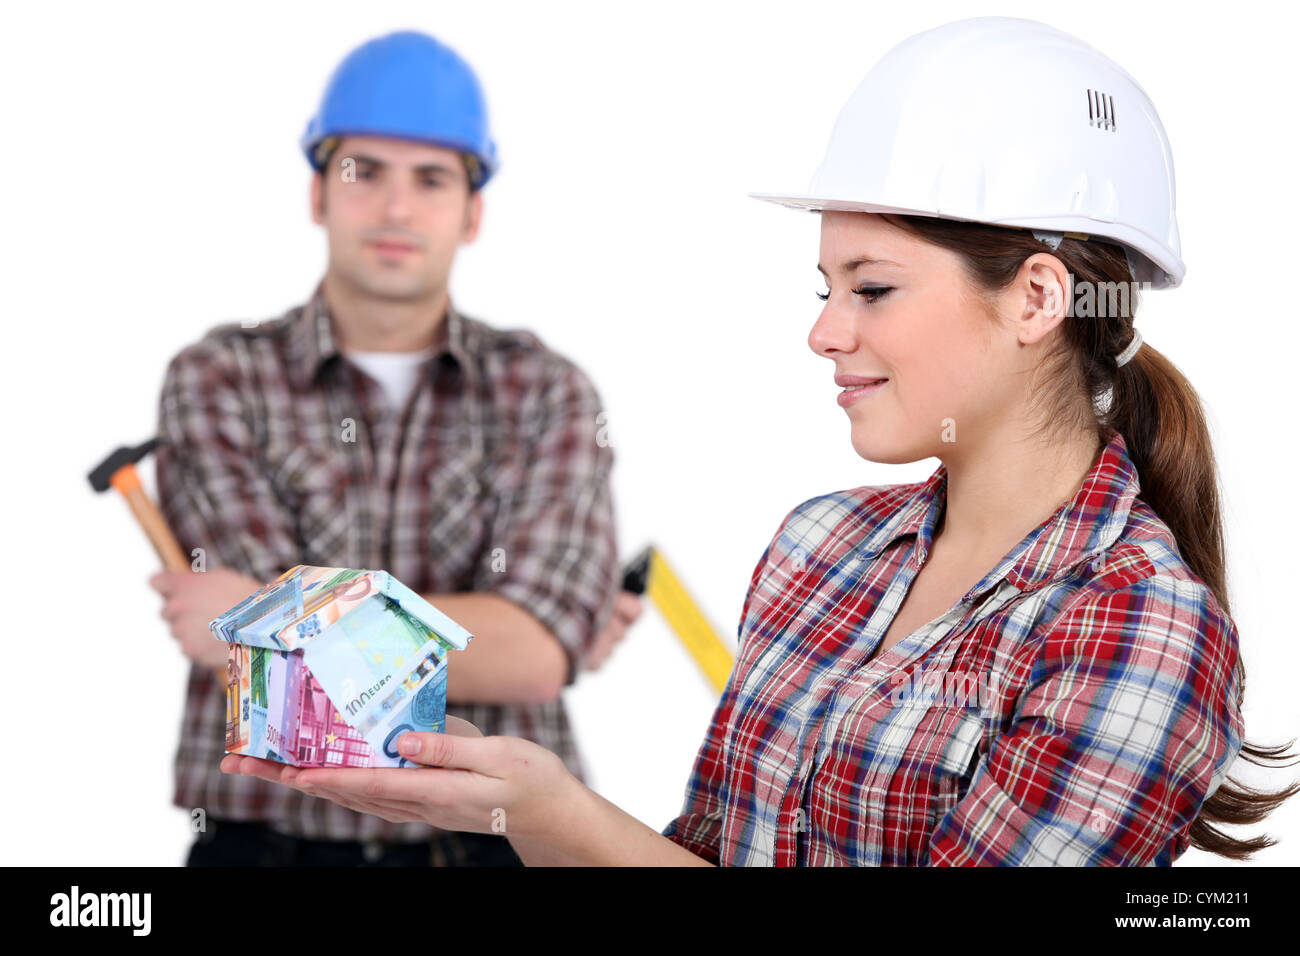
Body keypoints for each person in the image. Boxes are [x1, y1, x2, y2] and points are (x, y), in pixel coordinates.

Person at [220, 16, 1298, 865]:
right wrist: (514, 808)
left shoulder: (1143, 630)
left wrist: (553, 809)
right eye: (826, 288)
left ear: (1037, 298)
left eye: (873, 288)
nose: (825, 333)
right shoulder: (819, 548)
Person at [150, 29, 643, 867]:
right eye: (364, 172)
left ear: (473, 212)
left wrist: (279, 616)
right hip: (264, 842)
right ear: (318, 193)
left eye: (431, 180)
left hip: (486, 845)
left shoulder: (546, 391)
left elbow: (534, 656)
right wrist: (483, 634)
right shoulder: (218, 377)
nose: (396, 209)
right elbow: (267, 640)